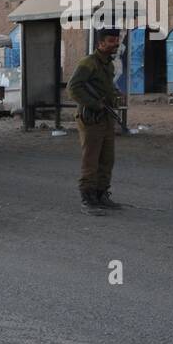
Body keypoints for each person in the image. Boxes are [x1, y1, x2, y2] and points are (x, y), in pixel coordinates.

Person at [67, 27, 123, 213]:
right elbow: (73, 88)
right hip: (90, 117)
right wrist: (94, 103)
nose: (115, 44)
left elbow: (105, 87)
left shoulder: (108, 64)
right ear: (100, 43)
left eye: (117, 40)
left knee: (107, 159)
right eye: (111, 41)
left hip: (105, 117)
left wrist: (114, 96)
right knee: (91, 159)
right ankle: (88, 198)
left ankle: (101, 194)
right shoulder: (88, 63)